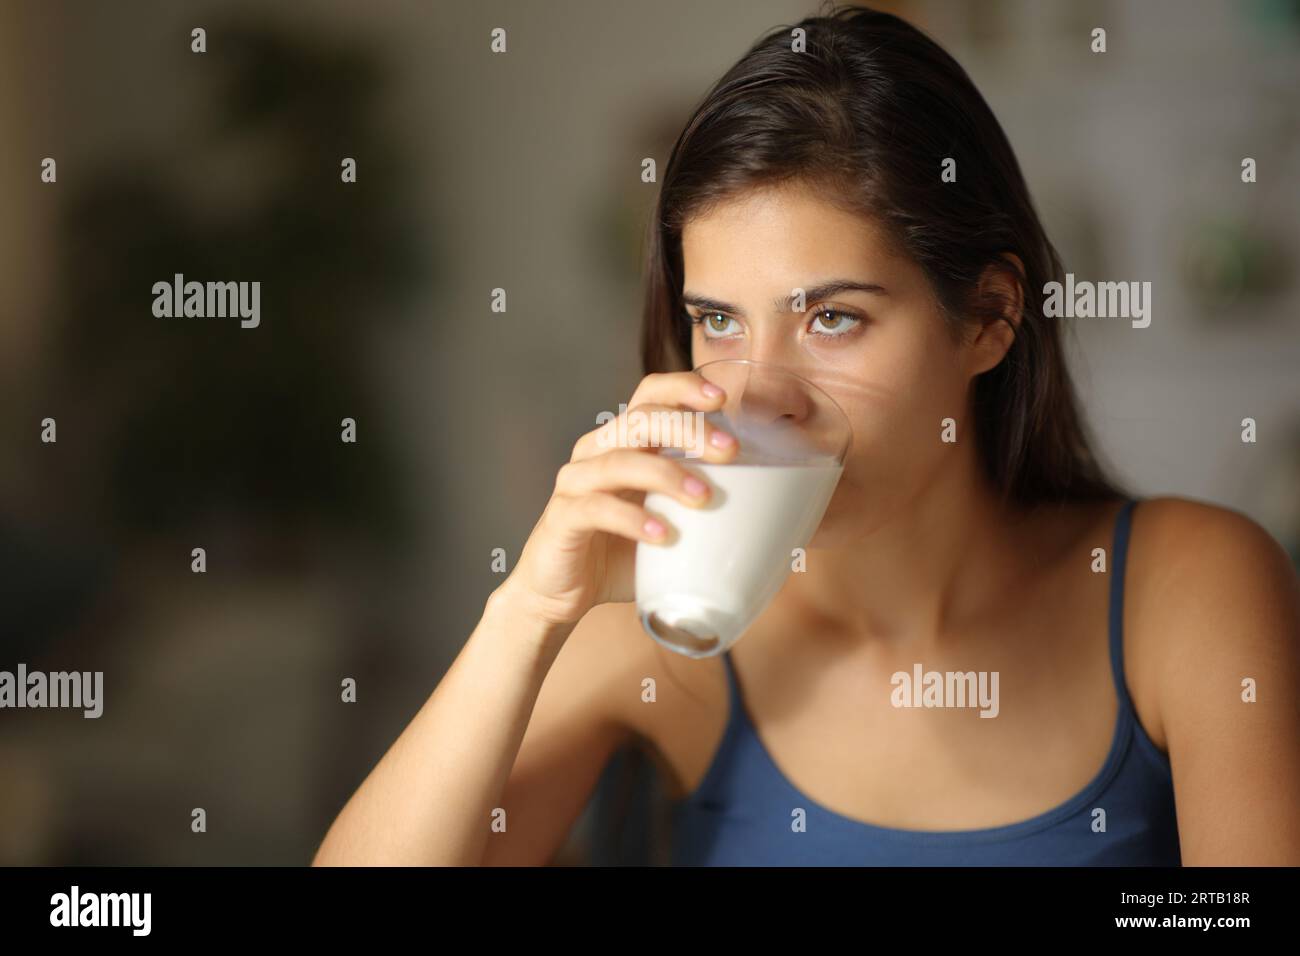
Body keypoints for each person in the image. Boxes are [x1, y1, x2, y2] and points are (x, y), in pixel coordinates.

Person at [312, 4, 1300, 866]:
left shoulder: (1180, 590)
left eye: (833, 317)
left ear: (990, 317)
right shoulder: (662, 632)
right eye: (718, 321)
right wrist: (528, 607)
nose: (760, 392)